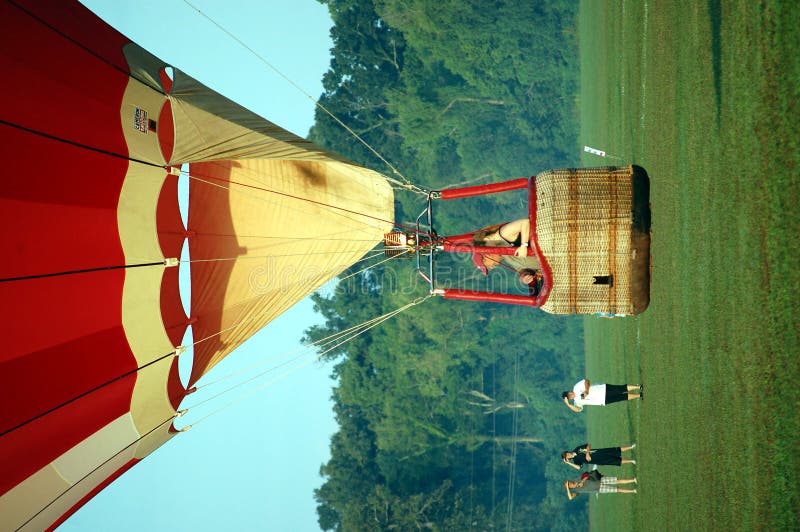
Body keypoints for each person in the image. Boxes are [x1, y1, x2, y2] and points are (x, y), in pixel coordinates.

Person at [562, 379, 642, 412]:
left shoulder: (576, 387)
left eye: (569, 394)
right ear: (569, 399)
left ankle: (638, 387)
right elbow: (578, 409)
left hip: (603, 389)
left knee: (621, 389)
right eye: (568, 397)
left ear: (569, 391)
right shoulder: (577, 402)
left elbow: (586, 381)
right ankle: (639, 395)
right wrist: (568, 405)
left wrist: (586, 390)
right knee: (621, 397)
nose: (570, 395)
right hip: (602, 401)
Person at [564, 470, 636, 500]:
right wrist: (567, 488)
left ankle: (633, 480)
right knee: (617, 490)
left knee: (618, 481)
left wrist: (582, 481)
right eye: (568, 484)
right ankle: (633, 491)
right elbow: (570, 498)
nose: (569, 482)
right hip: (599, 489)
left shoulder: (577, 479)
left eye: (568, 482)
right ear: (569, 487)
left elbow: (586, 475)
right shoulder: (576, 491)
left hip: (598, 480)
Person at [562, 442, 636, 469]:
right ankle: (631, 461)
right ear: (568, 458)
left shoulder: (577, 449)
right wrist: (568, 463)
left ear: (568, 452)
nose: (568, 455)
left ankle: (631, 447)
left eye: (567, 453)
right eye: (567, 456)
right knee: (615, 461)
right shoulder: (576, 460)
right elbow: (578, 467)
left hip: (599, 452)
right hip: (598, 460)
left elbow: (588, 445)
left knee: (615, 450)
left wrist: (587, 453)